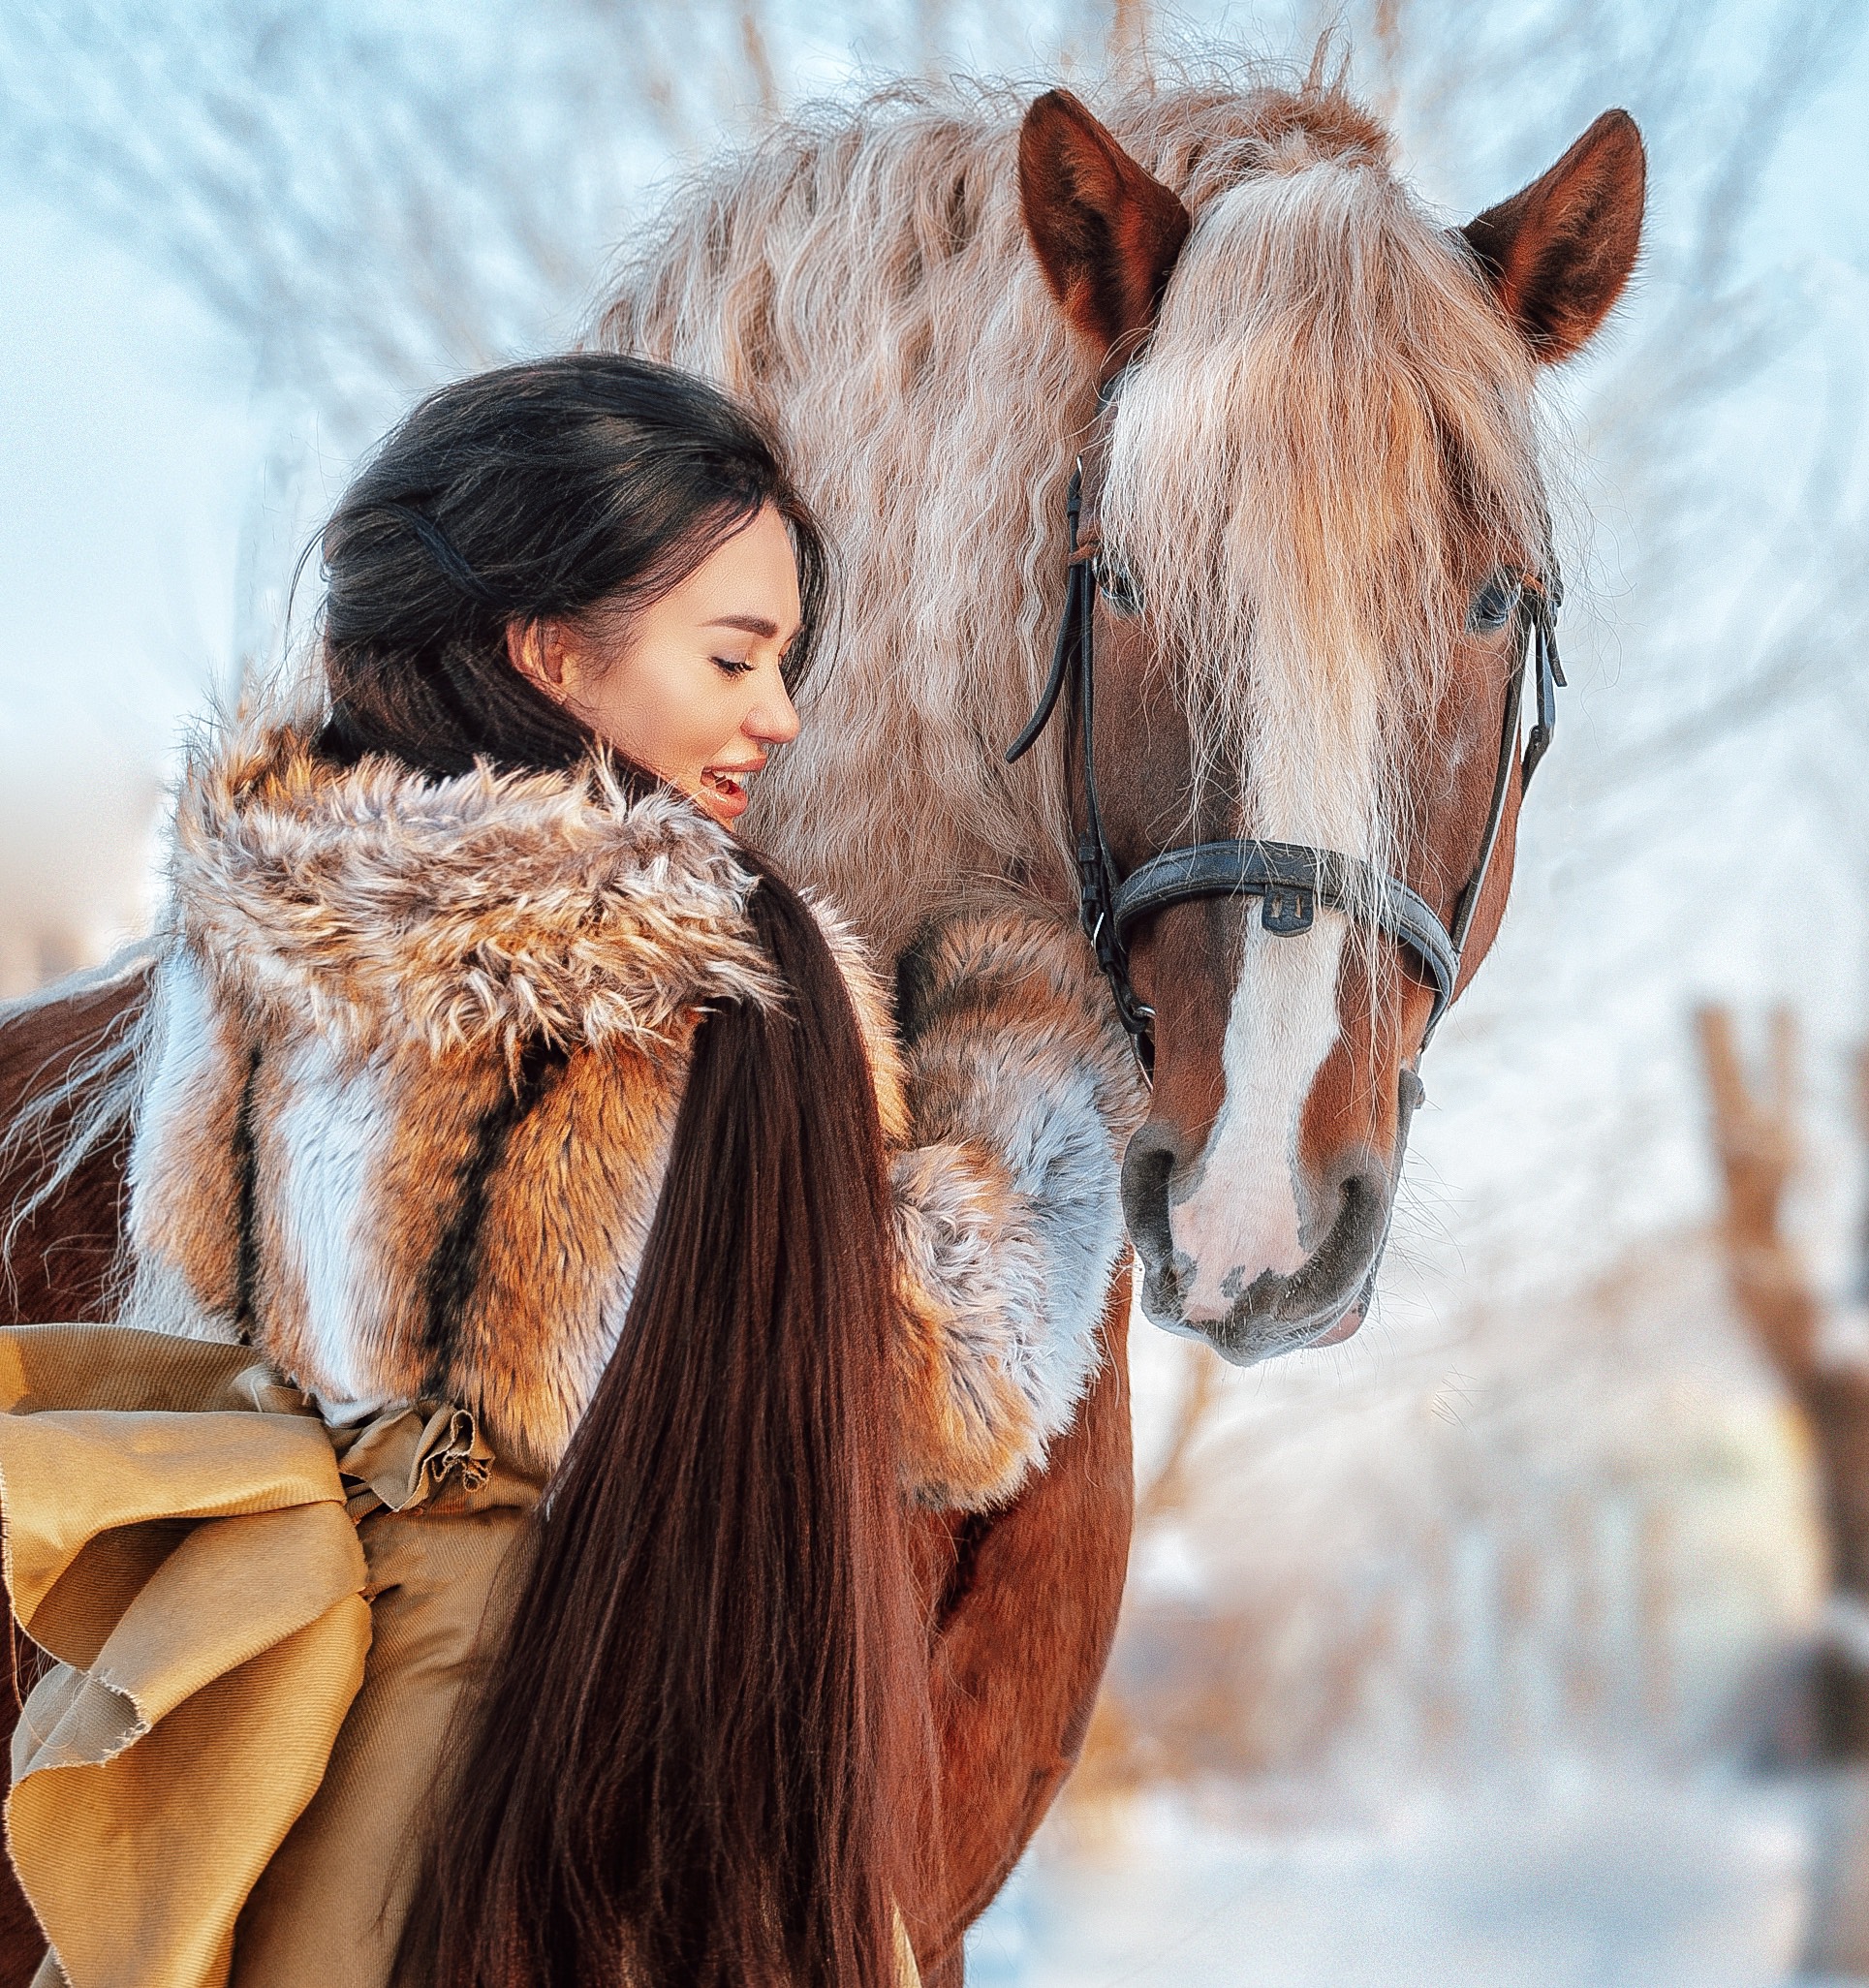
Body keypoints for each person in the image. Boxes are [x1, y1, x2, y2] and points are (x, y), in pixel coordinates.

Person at [0, 355, 1140, 1988]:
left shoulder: (239, 943)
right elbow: (950, 1390)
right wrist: (1027, 1043)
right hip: (614, 1766)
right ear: (550, 652)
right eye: (735, 654)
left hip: (296, 1753)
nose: (782, 713)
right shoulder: (713, 985)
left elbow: (198, 1312)